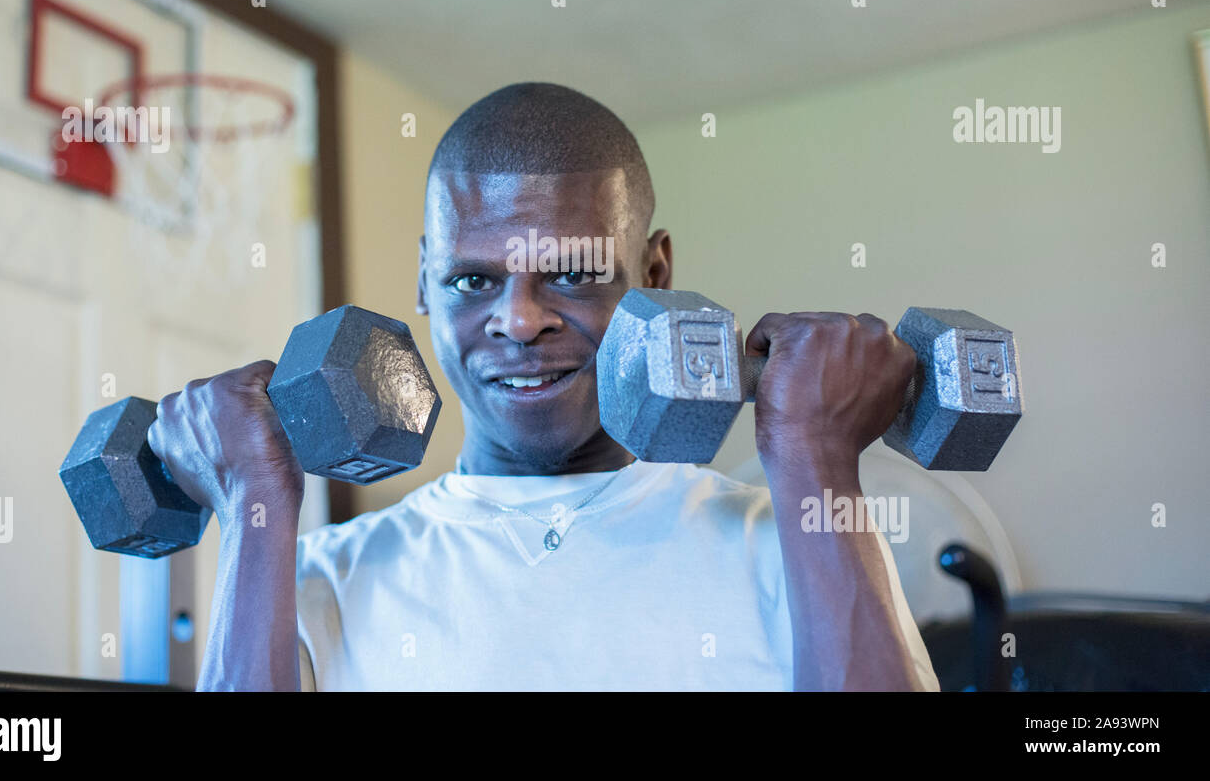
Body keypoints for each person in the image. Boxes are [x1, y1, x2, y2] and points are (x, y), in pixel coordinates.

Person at [147, 82, 939, 691]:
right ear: (425, 279)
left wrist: (816, 456)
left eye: (572, 271)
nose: (519, 321)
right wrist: (251, 505)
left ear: (654, 274)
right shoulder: (315, 579)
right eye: (470, 279)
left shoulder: (793, 540)